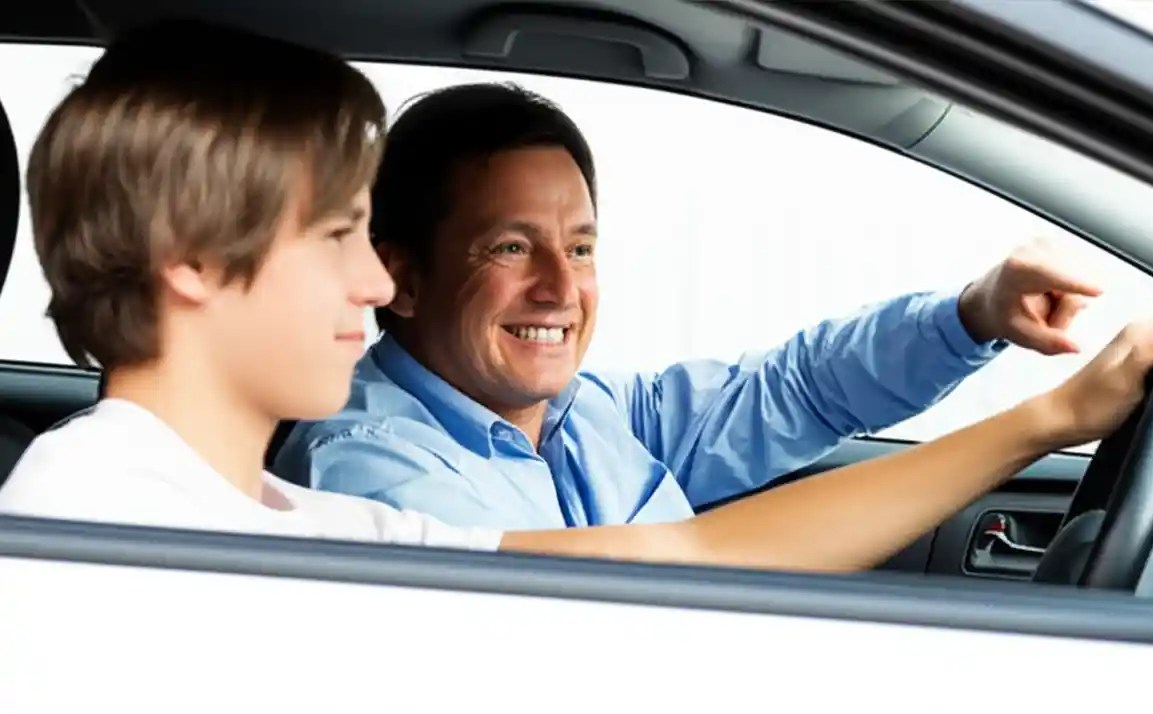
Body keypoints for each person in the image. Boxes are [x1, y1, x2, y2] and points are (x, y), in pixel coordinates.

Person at [0, 18, 1153, 575]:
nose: (370, 284)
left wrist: (984, 332)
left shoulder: (284, 522)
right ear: (191, 259)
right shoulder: (87, 522)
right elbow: (687, 564)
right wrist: (1043, 421)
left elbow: (698, 530)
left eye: (581, 246)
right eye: (339, 238)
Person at [273, 83, 1109, 530]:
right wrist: (1047, 421)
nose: (561, 289)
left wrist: (976, 313)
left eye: (580, 248)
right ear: (402, 277)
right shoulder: (370, 470)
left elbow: (798, 387)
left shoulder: (588, 414)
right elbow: (624, 601)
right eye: (511, 248)